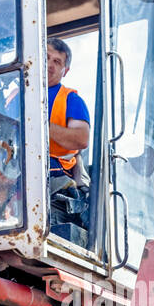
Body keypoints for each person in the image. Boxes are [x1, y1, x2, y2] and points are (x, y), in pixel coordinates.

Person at [46, 37, 91, 245]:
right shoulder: (13, 95)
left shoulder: (70, 100)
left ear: (66, 70)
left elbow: (81, 138)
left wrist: (38, 125)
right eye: (46, 58)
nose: (50, 65)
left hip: (52, 183)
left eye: (57, 62)